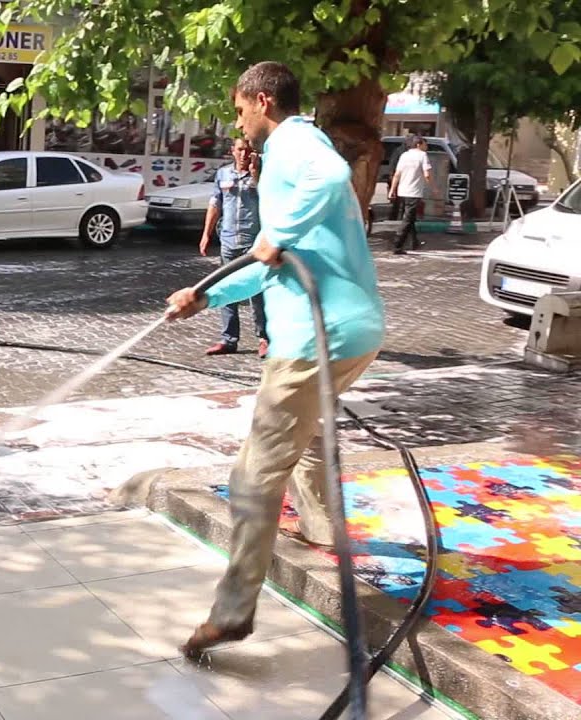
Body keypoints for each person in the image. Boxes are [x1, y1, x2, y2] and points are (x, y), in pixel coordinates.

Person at [164, 61, 385, 658]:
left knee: (254, 474)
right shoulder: (286, 153)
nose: (239, 123)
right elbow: (267, 264)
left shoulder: (294, 142)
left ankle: (233, 611)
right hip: (355, 328)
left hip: (316, 337)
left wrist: (279, 230)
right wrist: (204, 294)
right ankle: (320, 529)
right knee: (308, 438)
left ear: (263, 101)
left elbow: (333, 178)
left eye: (239, 110)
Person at [200, 138, 268, 358]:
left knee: (256, 291)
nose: (244, 154)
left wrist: (255, 173)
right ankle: (229, 339)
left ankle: (264, 337)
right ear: (232, 151)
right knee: (227, 289)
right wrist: (206, 235)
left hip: (253, 242)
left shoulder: (260, 173)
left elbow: (268, 197)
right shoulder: (223, 174)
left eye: (248, 150)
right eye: (240, 150)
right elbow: (215, 204)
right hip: (228, 241)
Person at [389, 135, 435, 255]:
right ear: (418, 144)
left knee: (411, 217)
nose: (427, 146)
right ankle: (397, 245)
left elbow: (397, 174)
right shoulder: (422, 155)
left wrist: (392, 189)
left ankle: (414, 242)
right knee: (408, 219)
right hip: (413, 192)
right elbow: (427, 174)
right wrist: (434, 188)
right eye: (425, 144)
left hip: (403, 191)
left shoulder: (404, 155)